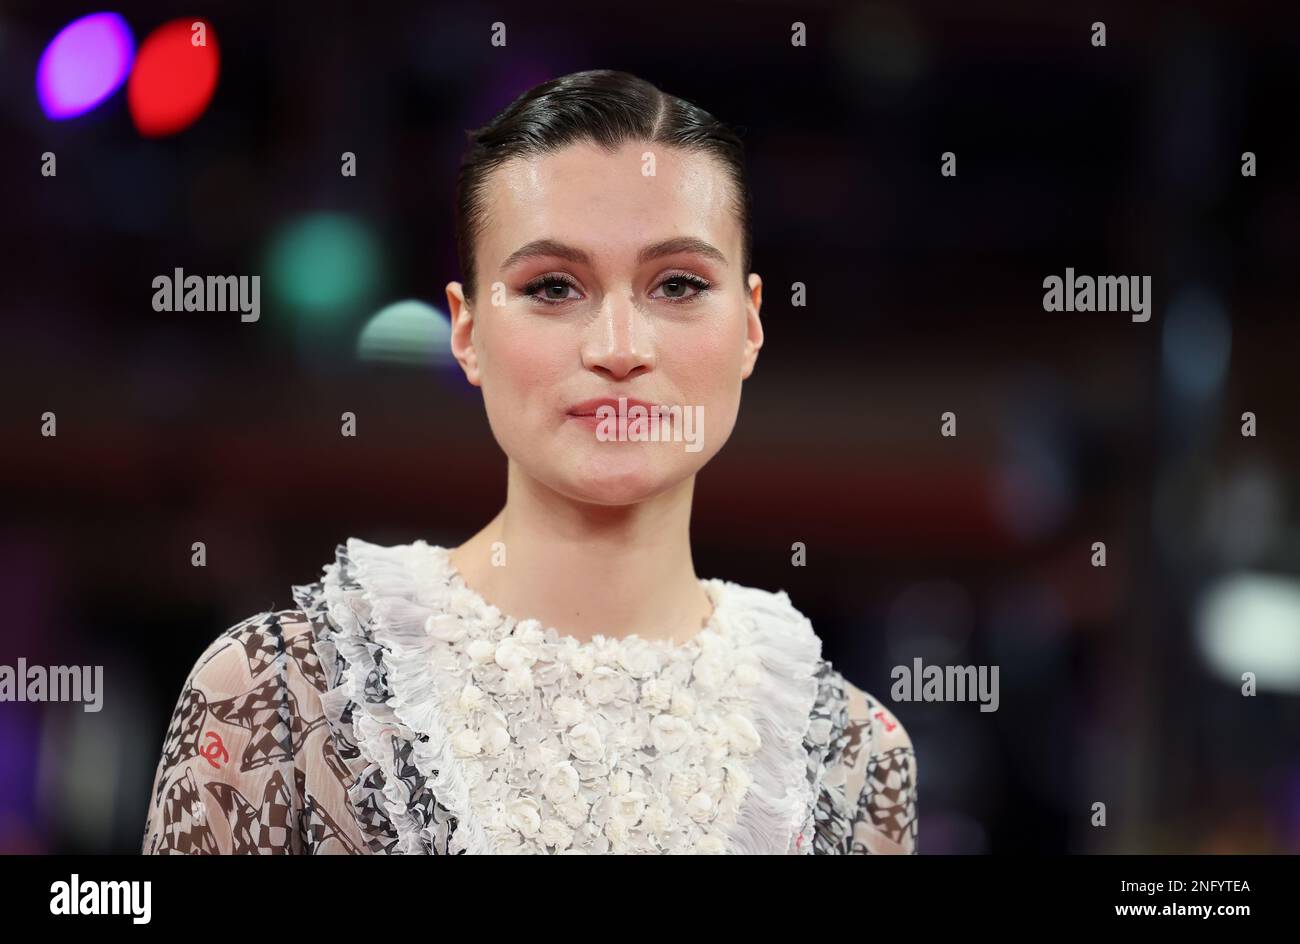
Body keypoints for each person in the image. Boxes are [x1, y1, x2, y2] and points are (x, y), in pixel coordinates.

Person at [141, 69, 917, 855]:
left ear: (750, 325)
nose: (618, 348)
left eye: (678, 284)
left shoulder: (851, 759)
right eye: (553, 287)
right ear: (467, 333)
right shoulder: (277, 696)